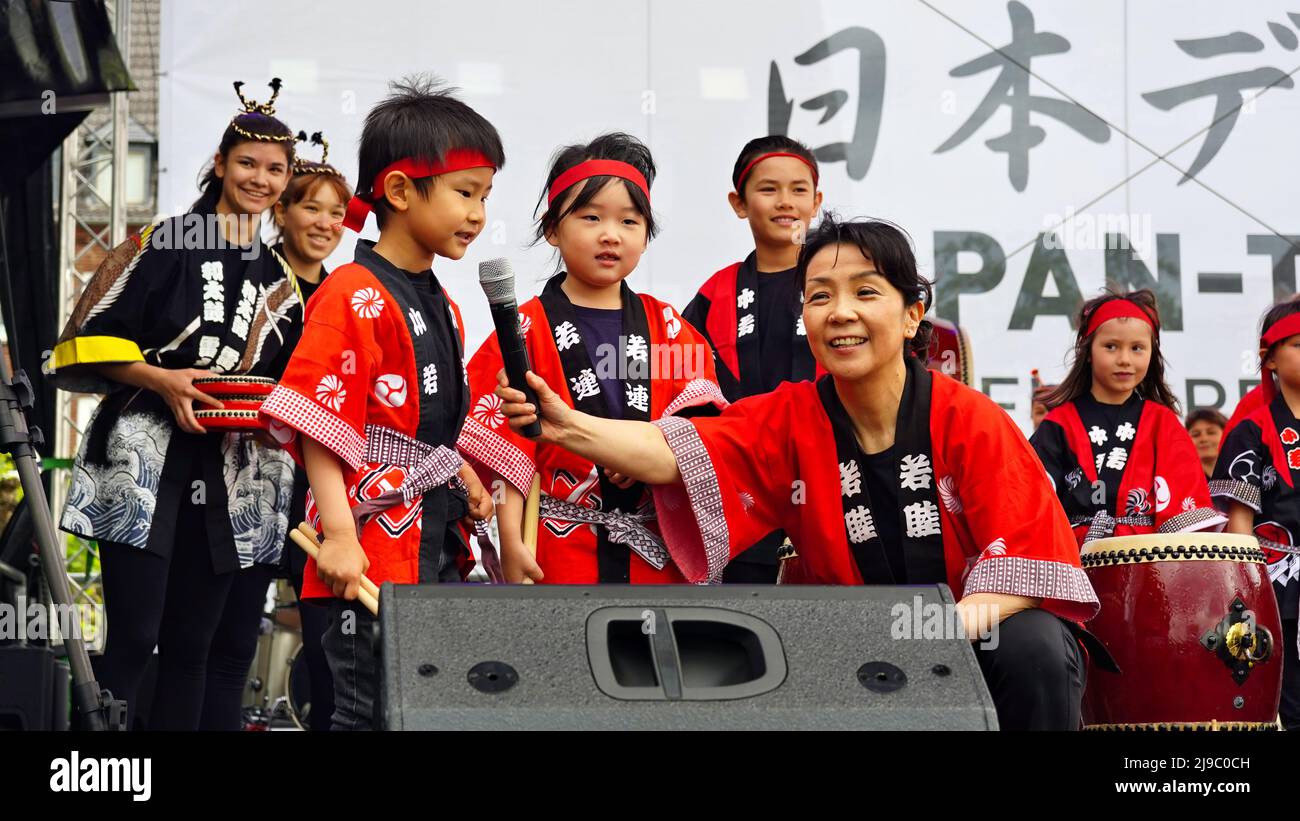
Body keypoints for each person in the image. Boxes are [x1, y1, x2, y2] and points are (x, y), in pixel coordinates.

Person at [496, 215, 1098, 730]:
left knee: (1034, 646)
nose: (840, 314)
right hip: (853, 648)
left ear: (914, 314)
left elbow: (1026, 570)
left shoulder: (971, 419)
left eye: (866, 293)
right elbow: (675, 451)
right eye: (819, 296)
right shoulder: (789, 418)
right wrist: (566, 428)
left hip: (973, 637)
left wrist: (921, 632)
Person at [48, 79, 300, 730]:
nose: (259, 178)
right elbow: (82, 339)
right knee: (133, 636)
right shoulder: (164, 240)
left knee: (194, 645)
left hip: (227, 472)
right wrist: (163, 380)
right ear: (219, 164)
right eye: (247, 162)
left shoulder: (279, 278)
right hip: (145, 454)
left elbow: (290, 383)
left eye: (275, 169)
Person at [259, 77, 498, 730]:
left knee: (423, 713)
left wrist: (468, 474)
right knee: (365, 713)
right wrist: (337, 534)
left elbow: (432, 431)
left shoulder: (443, 300)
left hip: (431, 543)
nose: (478, 213)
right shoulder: (353, 291)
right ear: (398, 190)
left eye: (485, 195)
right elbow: (317, 421)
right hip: (364, 546)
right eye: (465, 192)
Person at [459, 133, 724, 584]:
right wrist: (513, 541)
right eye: (591, 217)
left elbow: (704, 429)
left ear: (646, 236)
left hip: (655, 548)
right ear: (553, 230)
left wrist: (641, 449)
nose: (610, 234)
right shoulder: (524, 328)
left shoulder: (668, 327)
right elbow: (502, 447)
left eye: (629, 221)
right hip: (558, 545)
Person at [200, 130, 350, 730]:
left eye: (337, 213)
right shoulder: (255, 281)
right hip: (250, 478)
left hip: (323, 492)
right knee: (228, 630)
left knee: (328, 642)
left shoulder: (348, 293)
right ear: (281, 210)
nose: (324, 222)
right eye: (311, 206)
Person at [680, 136, 824, 583]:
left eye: (799, 190)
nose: (786, 202)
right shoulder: (716, 294)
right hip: (743, 482)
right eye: (768, 189)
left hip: (831, 475)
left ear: (817, 201)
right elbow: (683, 386)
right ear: (739, 203)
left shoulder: (843, 281)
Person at [1030, 290, 1225, 546]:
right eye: (1111, 347)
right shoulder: (1060, 423)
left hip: (1149, 556)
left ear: (1150, 354)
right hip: (1075, 555)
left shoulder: (1162, 422)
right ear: (1088, 351)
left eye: (1137, 348)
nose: (1124, 360)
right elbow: (1032, 494)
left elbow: (1184, 500)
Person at [1210, 299, 1300, 731]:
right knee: (1290, 703)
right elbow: (1239, 523)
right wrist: (1248, 594)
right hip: (1279, 587)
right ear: (1269, 360)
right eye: (1299, 345)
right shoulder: (1252, 430)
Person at [1185, 407, 1227, 480]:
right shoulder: (1182, 479)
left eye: (1211, 433)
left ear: (1226, 434)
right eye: (1196, 434)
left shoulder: (1240, 475)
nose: (1204, 439)